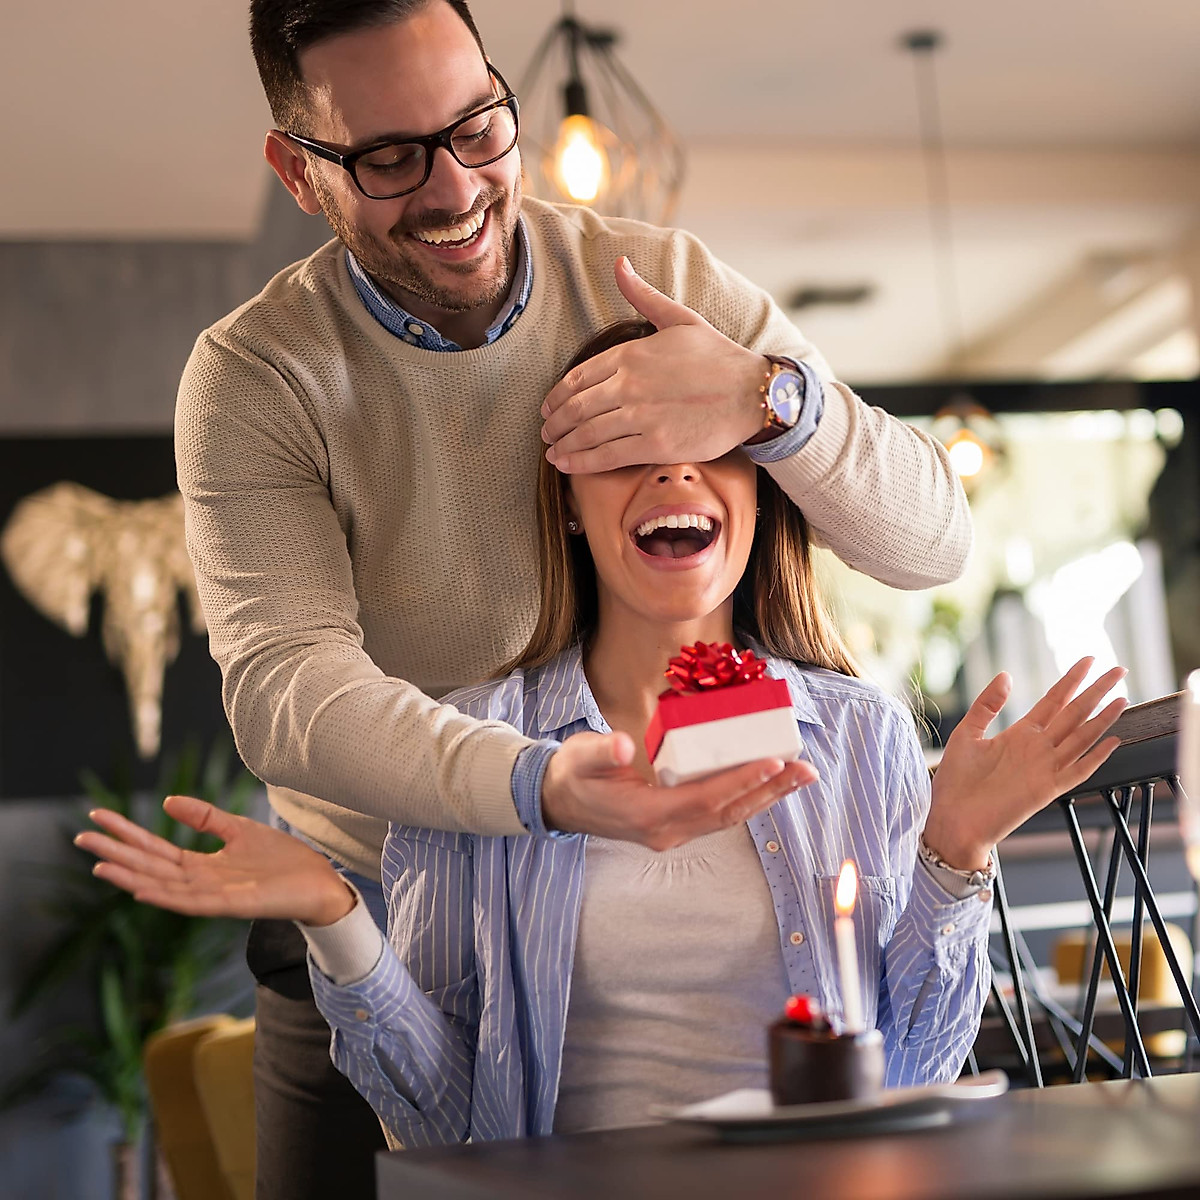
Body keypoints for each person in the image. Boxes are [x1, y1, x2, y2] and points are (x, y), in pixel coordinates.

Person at [180, 0, 974, 1191]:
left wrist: (774, 399)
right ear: (299, 173)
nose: (454, 189)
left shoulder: (660, 281)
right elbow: (288, 687)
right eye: (390, 157)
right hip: (371, 923)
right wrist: (541, 784)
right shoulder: (257, 373)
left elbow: (930, 541)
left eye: (478, 127)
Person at [103, 320, 1123, 1149]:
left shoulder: (858, 739)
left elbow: (915, 1074)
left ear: (758, 497)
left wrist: (957, 852)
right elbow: (449, 1121)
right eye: (628, 452)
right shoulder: (472, 748)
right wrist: (333, 912)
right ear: (573, 508)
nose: (675, 478)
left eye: (710, 451)